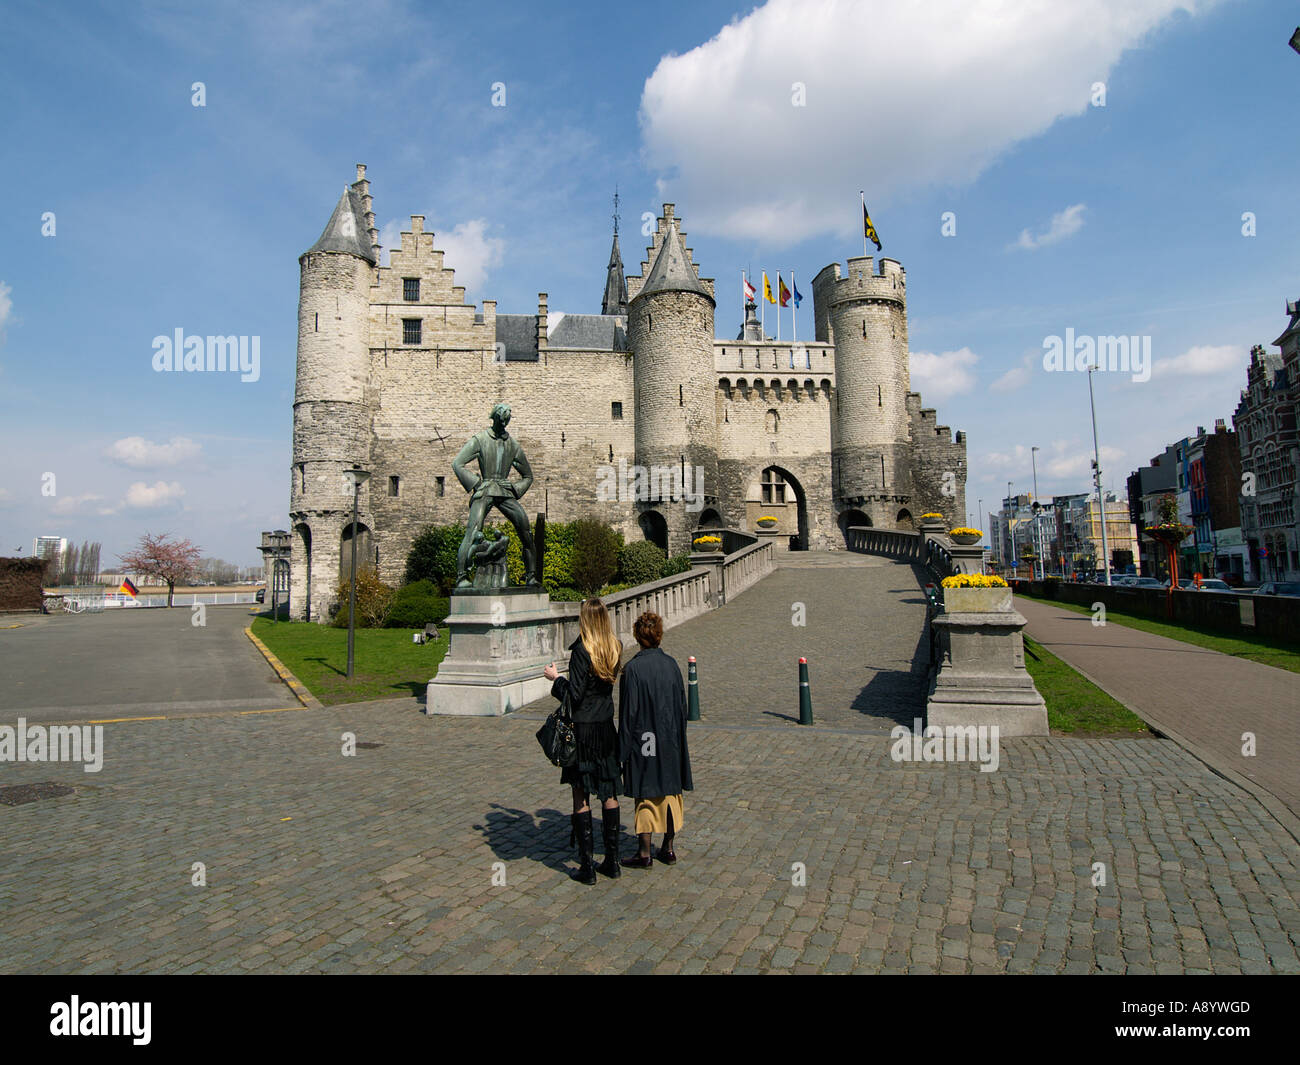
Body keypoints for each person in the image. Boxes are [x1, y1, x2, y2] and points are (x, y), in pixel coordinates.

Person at [543, 598, 623, 885]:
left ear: (585, 621)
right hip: (605, 728)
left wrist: (555, 679)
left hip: (584, 731)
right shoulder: (614, 647)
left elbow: (574, 696)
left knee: (581, 794)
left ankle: (588, 866)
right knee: (609, 791)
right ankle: (612, 861)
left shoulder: (581, 651)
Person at [618, 611, 693, 869]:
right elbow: (682, 707)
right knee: (671, 791)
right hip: (669, 737)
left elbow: (628, 714)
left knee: (647, 793)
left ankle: (644, 852)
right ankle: (669, 847)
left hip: (645, 739)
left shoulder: (633, 669)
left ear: (638, 636)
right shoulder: (671, 664)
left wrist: (622, 751)